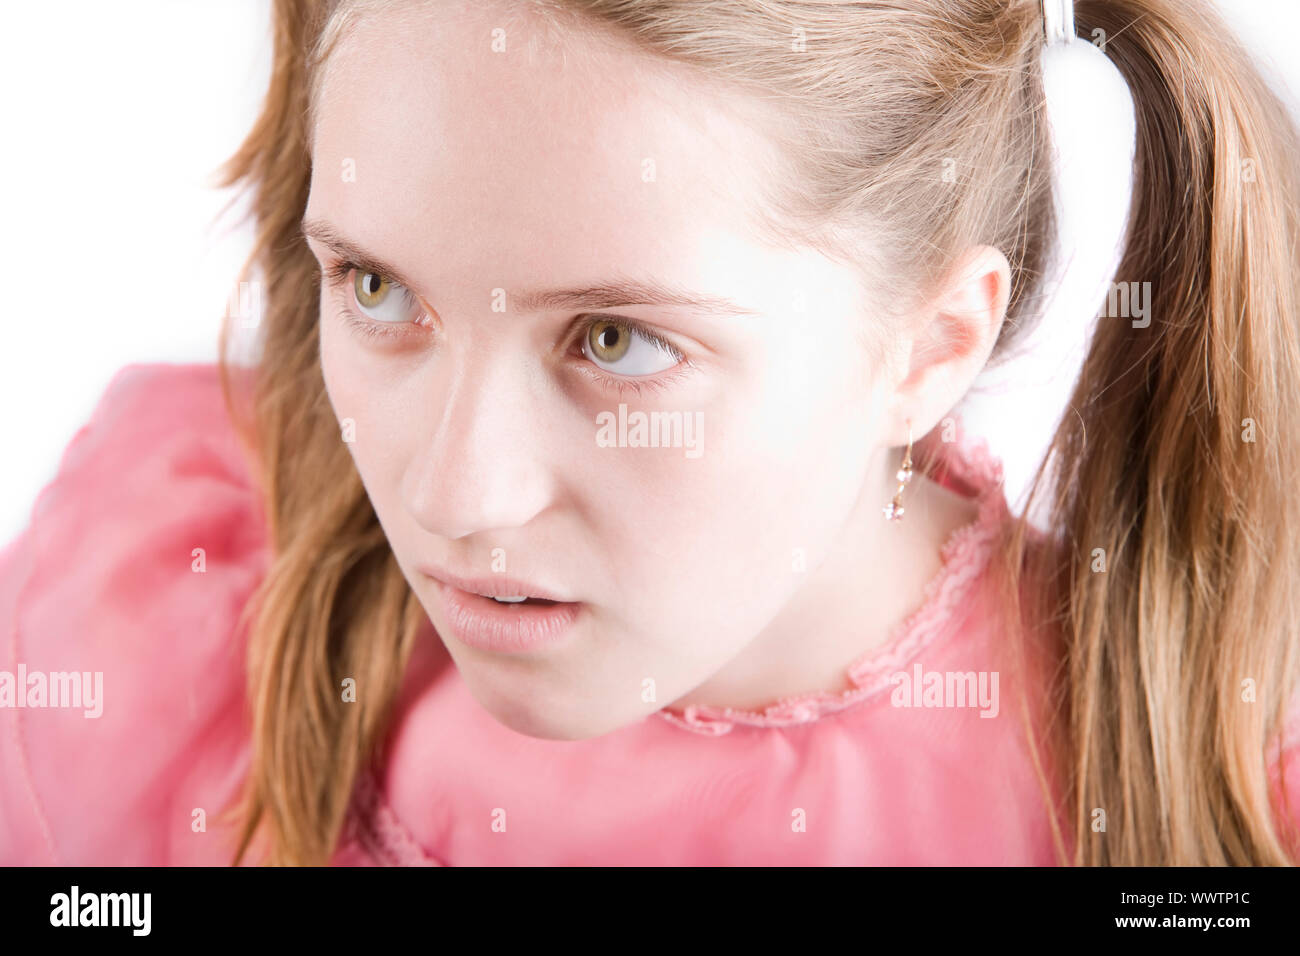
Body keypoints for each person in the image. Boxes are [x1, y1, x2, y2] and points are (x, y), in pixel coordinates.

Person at [2, 0, 1299, 866]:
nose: (457, 496)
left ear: (932, 347)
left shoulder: (1169, 798)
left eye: (617, 341)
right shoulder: (164, 606)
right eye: (381, 289)